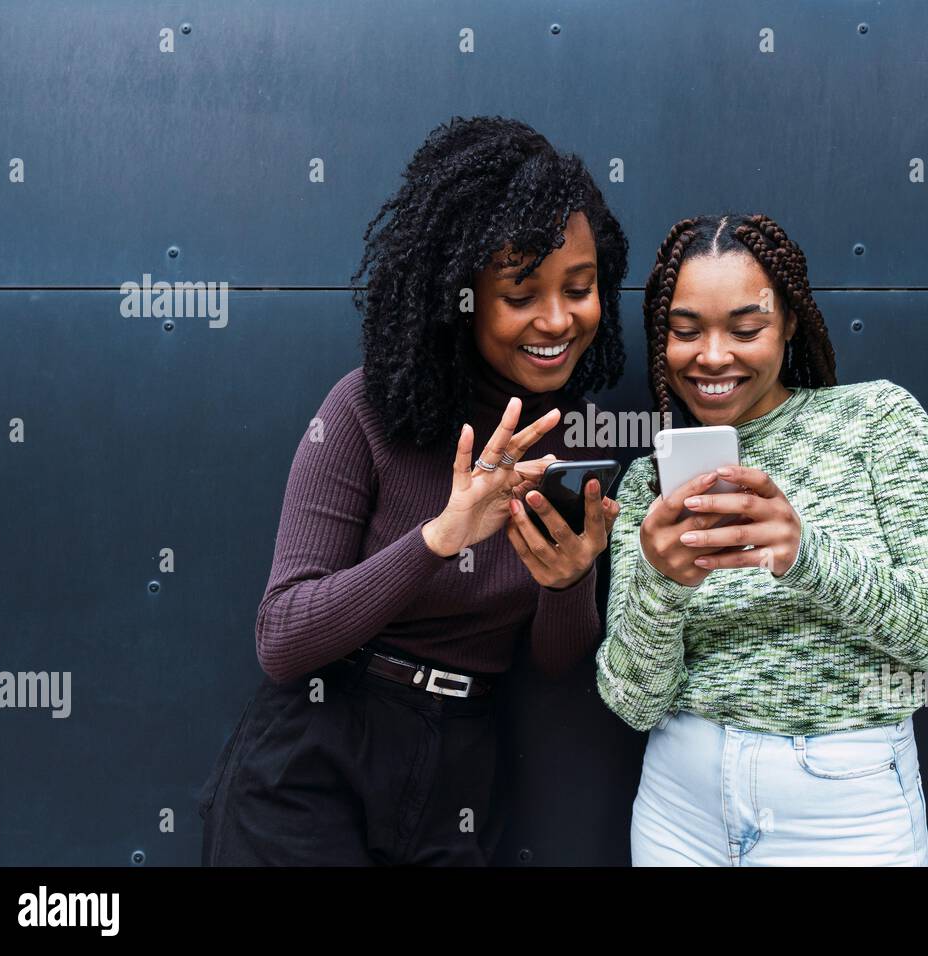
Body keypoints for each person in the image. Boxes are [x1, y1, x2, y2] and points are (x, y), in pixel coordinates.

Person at [198, 115, 627, 865]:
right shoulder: (365, 411)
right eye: (521, 293)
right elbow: (283, 637)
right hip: (320, 751)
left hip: (461, 766)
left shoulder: (576, 446)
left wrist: (569, 583)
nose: (557, 320)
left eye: (580, 288)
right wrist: (439, 539)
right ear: (460, 294)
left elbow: (557, 664)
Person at [596, 213, 928, 866]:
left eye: (745, 328)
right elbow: (634, 701)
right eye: (686, 331)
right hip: (679, 807)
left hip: (842, 812)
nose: (713, 356)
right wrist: (661, 585)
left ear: (788, 323)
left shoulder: (877, 422)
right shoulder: (650, 482)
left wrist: (805, 557)